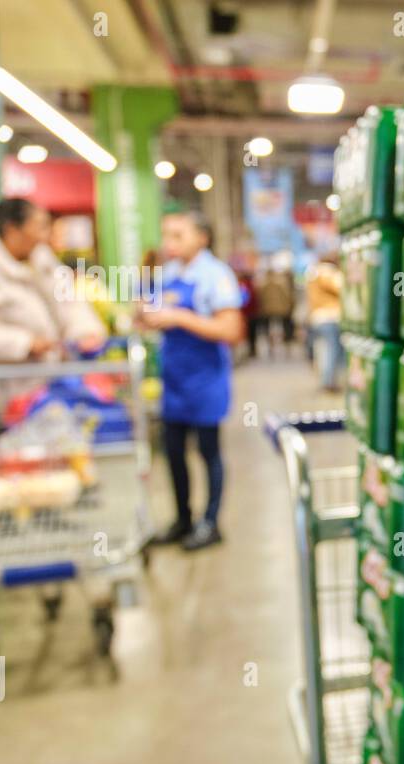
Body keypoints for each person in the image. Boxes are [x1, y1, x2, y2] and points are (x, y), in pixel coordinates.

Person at [0, 198, 107, 419]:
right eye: (40, 227)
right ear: (12, 230)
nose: (46, 235)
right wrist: (25, 343)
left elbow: (68, 301)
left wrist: (85, 331)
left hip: (51, 388)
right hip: (0, 397)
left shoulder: (41, 257)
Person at [141, 210, 244, 552]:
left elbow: (231, 330)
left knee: (208, 452)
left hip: (205, 382)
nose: (169, 243)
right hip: (174, 383)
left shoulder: (216, 276)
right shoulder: (168, 275)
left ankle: (211, 522)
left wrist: (181, 318)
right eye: (166, 235)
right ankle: (182, 519)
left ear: (202, 237)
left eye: (178, 235)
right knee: (172, 454)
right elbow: (150, 314)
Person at [305, 251, 344, 391]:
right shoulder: (327, 271)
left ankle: (327, 379)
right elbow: (341, 287)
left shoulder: (312, 273)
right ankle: (328, 382)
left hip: (317, 317)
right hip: (330, 316)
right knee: (332, 350)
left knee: (323, 350)